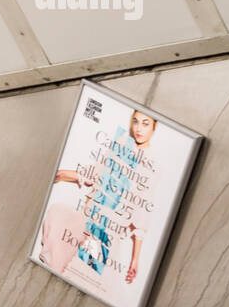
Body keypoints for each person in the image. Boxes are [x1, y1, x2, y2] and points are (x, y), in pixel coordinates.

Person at [40, 107, 157, 285]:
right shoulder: (122, 142)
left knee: (77, 276)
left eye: (145, 124)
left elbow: (142, 215)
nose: (139, 128)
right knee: (57, 216)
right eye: (136, 122)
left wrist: (135, 260)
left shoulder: (151, 166)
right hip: (86, 216)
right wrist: (62, 174)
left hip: (104, 233)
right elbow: (96, 173)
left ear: (154, 128)